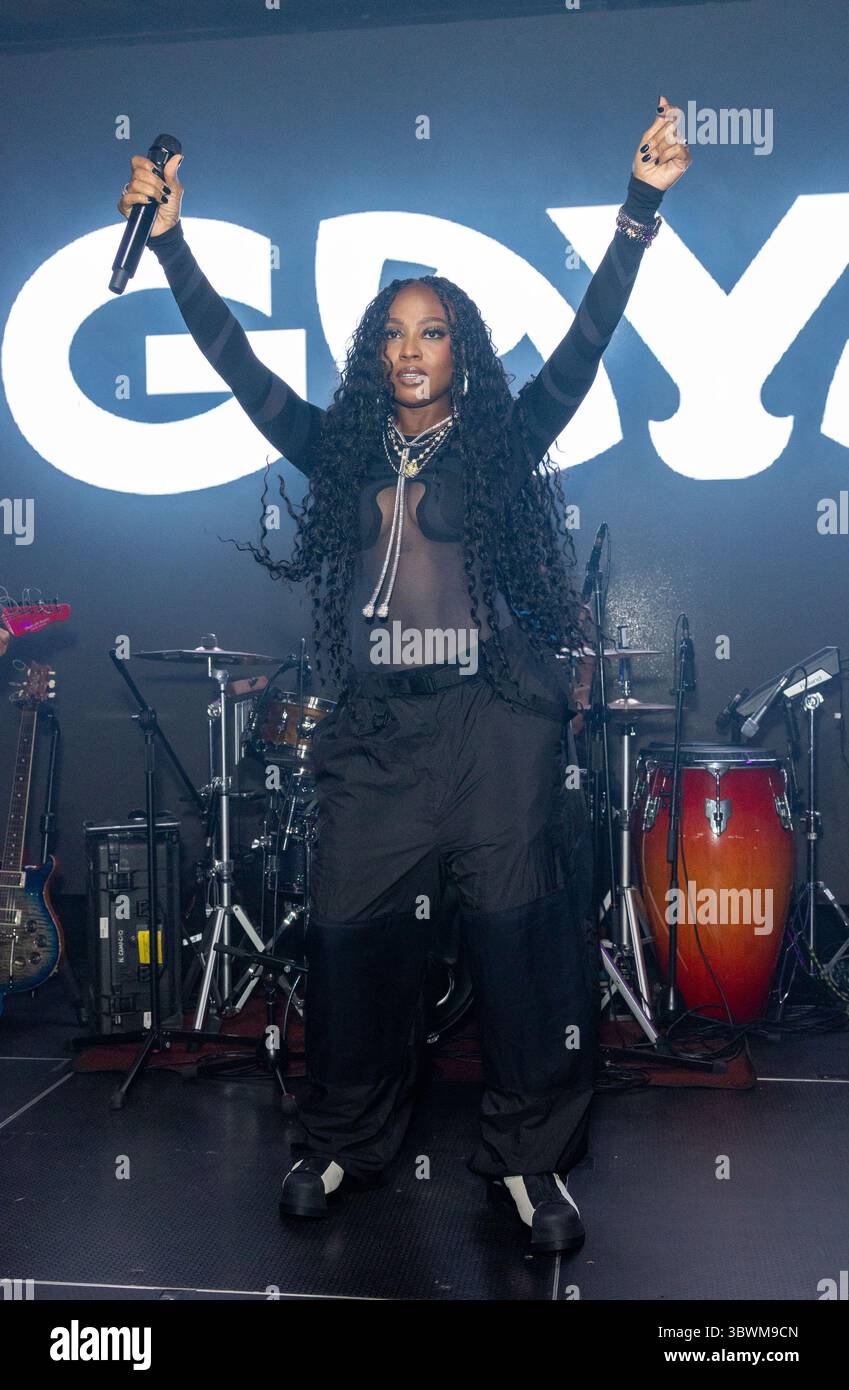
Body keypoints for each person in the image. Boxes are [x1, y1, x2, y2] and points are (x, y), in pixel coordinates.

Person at [118, 98, 690, 1255]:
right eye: (395, 332)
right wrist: (173, 245)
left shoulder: (504, 437)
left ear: (459, 349)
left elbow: (585, 342)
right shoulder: (340, 448)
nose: (412, 348)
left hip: (492, 725)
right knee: (350, 942)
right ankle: (341, 1138)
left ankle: (529, 1165)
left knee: (522, 955)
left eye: (432, 331)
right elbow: (241, 373)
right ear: (377, 353)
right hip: (379, 733)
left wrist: (639, 210)